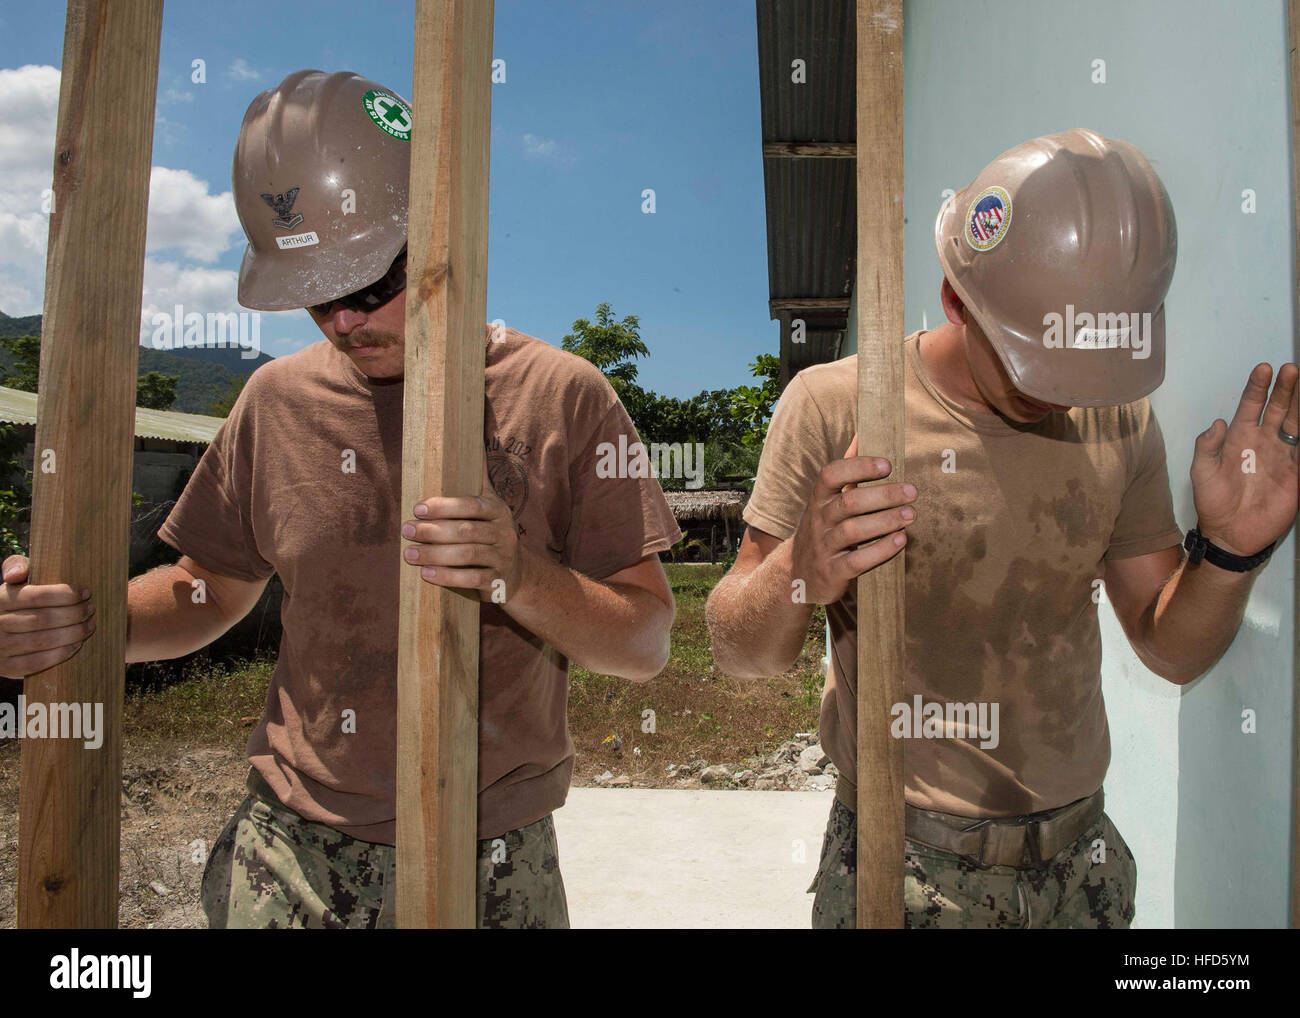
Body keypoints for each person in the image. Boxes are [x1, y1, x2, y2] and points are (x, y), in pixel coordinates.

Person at [0, 69, 681, 929]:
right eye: (314, 295)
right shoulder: (276, 402)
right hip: (292, 849)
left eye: (366, 286)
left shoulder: (563, 397)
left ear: (442, 238)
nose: (342, 323)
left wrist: (521, 576)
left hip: (490, 854)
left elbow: (646, 642)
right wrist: (79, 627)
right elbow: (208, 589)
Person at [706, 128, 1299, 928]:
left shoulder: (1119, 418)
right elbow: (738, 651)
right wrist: (803, 570)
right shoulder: (838, 405)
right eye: (1037, 363)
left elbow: (1167, 647)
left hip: (1080, 867)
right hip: (903, 868)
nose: (1063, 397)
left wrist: (1230, 552)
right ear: (956, 298)